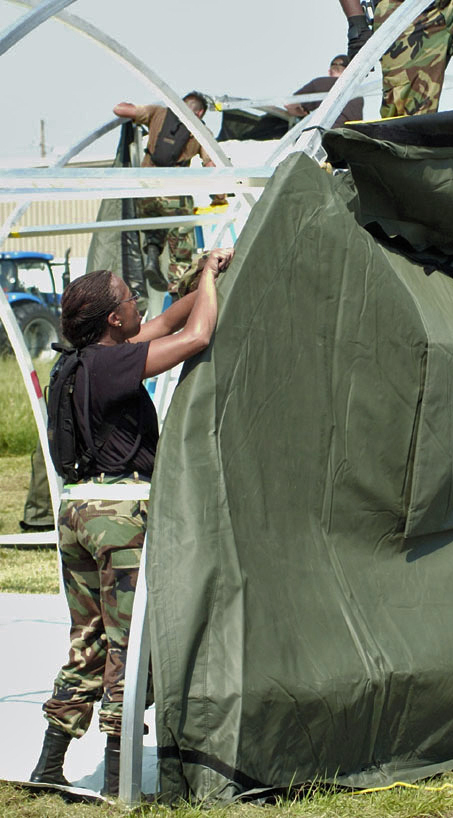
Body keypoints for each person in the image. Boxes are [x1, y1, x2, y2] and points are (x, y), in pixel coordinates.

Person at [28, 248, 233, 796]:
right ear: (114, 319)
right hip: (119, 518)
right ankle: (121, 776)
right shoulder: (114, 365)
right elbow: (194, 338)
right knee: (129, 642)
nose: (139, 302)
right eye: (129, 298)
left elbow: (170, 320)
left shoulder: (74, 364)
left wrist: (214, 273)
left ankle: (49, 763)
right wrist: (210, 284)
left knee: (88, 639)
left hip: (75, 512)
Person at [113, 92, 217, 293]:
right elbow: (211, 163)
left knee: (153, 227)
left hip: (146, 191)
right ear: (200, 112)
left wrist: (130, 104)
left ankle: (152, 252)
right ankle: (177, 285)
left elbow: (120, 109)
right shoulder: (200, 130)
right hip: (174, 194)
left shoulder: (158, 113)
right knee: (181, 240)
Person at [285, 55, 365, 129]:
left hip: (324, 134)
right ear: (349, 72)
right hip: (348, 137)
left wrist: (302, 112)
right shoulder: (358, 92)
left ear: (330, 71)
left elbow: (289, 104)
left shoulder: (319, 83)